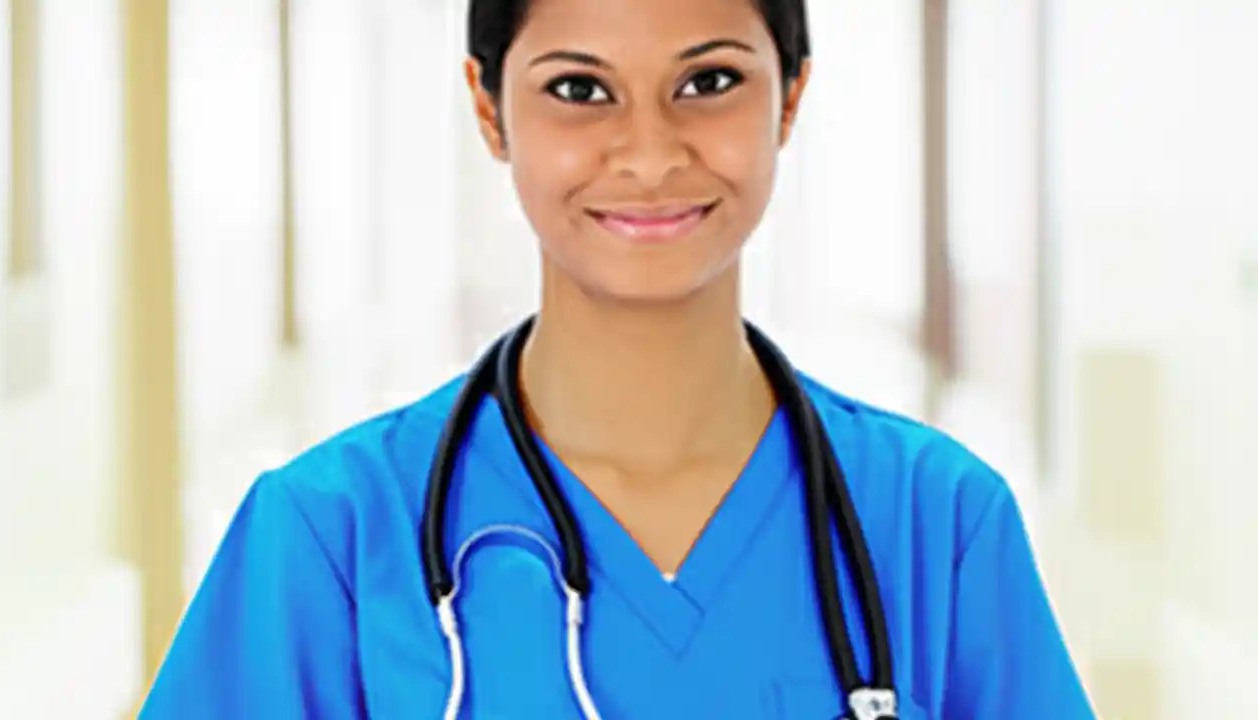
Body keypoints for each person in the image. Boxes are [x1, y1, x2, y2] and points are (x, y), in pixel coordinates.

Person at [141, 0, 1095, 717]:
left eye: (709, 81)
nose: (647, 153)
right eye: (579, 90)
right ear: (489, 107)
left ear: (792, 97)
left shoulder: (937, 523)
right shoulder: (335, 535)